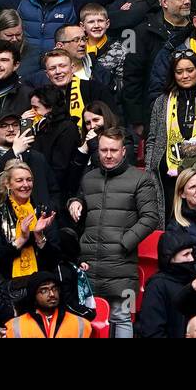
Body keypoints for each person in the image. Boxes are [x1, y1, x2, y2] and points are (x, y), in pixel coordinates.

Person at [67, 128, 160, 338]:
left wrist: (124, 242)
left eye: (113, 150)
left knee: (121, 316)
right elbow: (81, 202)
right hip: (89, 261)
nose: (108, 155)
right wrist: (74, 202)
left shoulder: (140, 179)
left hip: (121, 262)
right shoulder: (89, 178)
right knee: (87, 317)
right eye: (103, 150)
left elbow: (151, 217)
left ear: (123, 151)